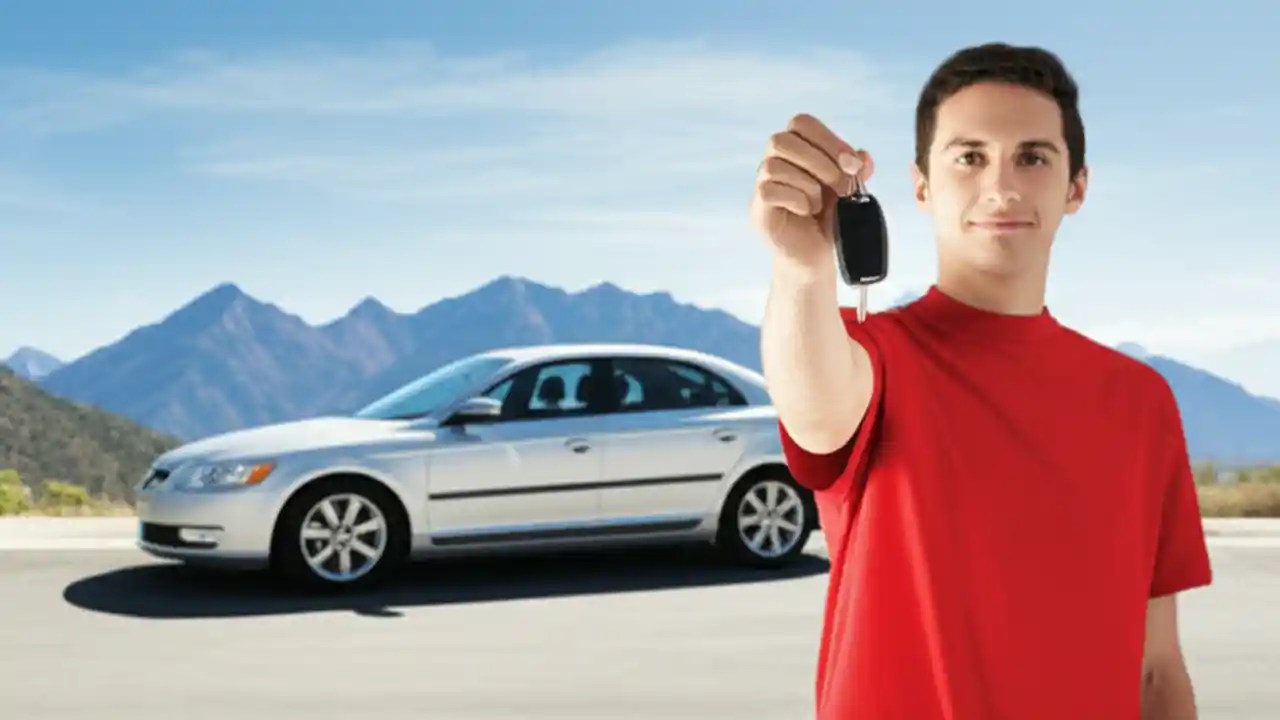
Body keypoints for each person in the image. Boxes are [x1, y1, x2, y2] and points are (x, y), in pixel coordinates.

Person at [752, 42, 1212, 719]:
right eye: (969, 157)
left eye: (1033, 157)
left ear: (1076, 187)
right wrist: (800, 270)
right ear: (921, 186)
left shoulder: (1140, 400)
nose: (1001, 186)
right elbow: (816, 409)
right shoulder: (871, 357)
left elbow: (1156, 671)